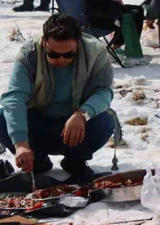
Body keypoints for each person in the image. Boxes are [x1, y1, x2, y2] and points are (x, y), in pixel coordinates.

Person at [0, 14, 114, 182]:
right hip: (38, 122)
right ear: (44, 42)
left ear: (78, 42)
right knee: (2, 117)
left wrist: (82, 114)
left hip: (76, 125)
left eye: (69, 55)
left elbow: (104, 91)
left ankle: (75, 161)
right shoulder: (29, 53)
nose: (61, 60)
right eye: (53, 54)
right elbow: (15, 98)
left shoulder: (95, 52)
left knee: (104, 121)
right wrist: (21, 144)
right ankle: (37, 161)